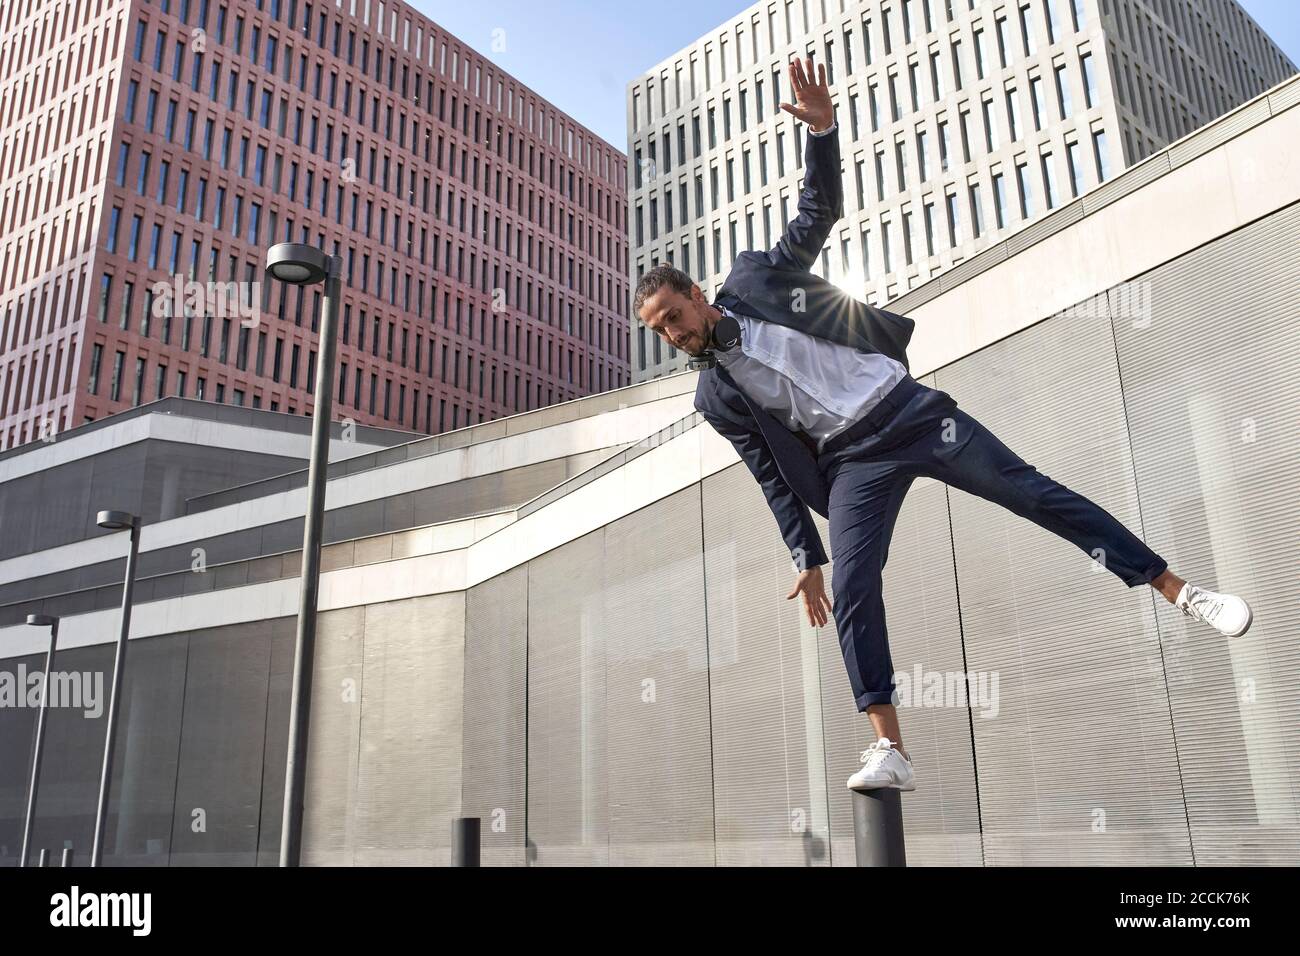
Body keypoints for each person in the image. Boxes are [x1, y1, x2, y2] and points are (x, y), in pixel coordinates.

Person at [634, 57, 1254, 793]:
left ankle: (1177, 589)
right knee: (856, 586)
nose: (672, 334)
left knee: (1031, 492)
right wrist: (805, 553)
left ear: (698, 297)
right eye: (659, 331)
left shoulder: (756, 280)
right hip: (850, 462)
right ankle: (890, 750)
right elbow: (769, 474)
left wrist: (824, 131)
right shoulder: (715, 400)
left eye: (673, 317)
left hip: (910, 414)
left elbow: (815, 216)